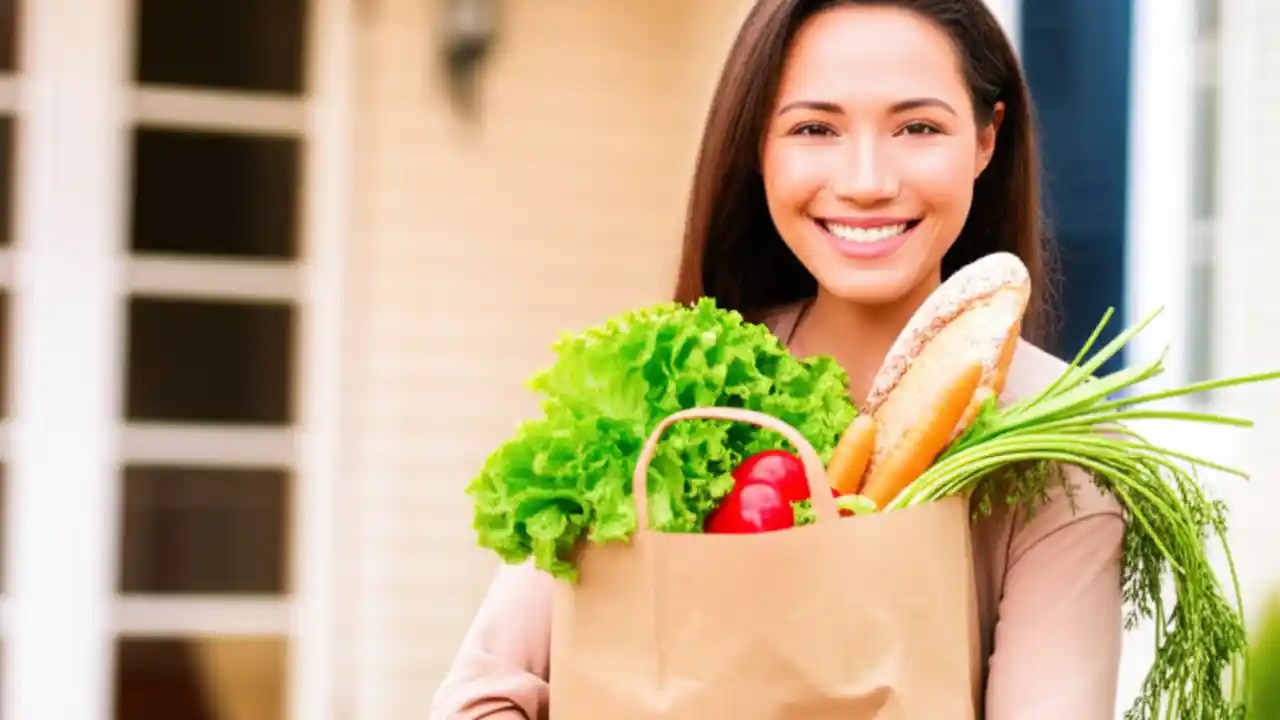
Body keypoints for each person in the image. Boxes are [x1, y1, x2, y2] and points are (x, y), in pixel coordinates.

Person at [430, 1, 1125, 717]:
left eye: (917, 127)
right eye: (814, 128)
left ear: (985, 139)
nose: (865, 180)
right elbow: (482, 698)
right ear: (758, 144)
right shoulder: (674, 387)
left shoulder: (1056, 435)